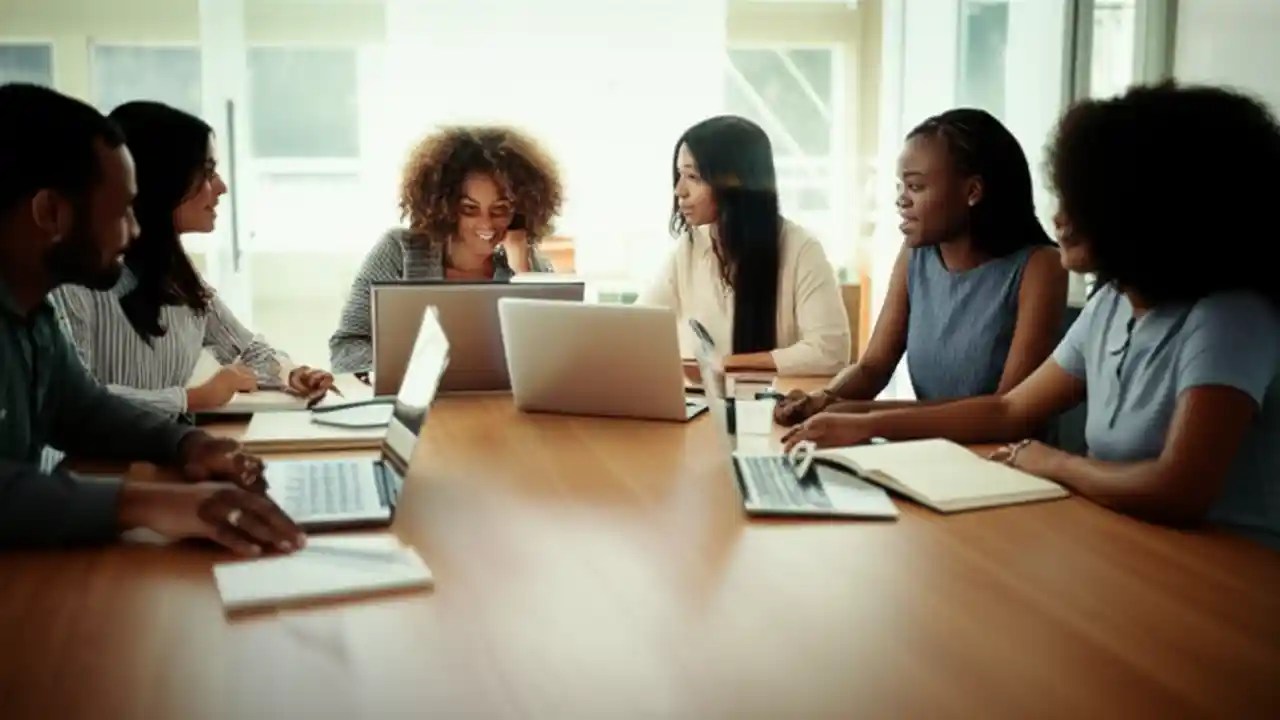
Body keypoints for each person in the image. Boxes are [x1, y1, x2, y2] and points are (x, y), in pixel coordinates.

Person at [783, 83, 1280, 548]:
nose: (1060, 217)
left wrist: (1053, 462)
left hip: (1224, 569)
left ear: (1152, 211)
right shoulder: (1110, 304)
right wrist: (853, 416)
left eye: (1084, 202)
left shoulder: (1229, 318)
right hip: (1128, 544)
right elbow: (1010, 410)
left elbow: (1178, 488)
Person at [0, 83, 303, 554]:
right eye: (122, 211)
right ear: (51, 212)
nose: (137, 229)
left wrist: (188, 444)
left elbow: (84, 411)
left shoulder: (30, 311)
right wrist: (147, 504)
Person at [775, 109, 1067, 425]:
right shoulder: (917, 254)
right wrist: (824, 398)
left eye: (915, 187)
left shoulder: (1041, 267)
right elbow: (873, 367)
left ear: (972, 191)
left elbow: (1006, 410)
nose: (902, 200)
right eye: (901, 186)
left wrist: (861, 416)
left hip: (1005, 461)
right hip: (929, 452)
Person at [51, 101, 333, 417]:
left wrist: (292, 374)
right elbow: (73, 399)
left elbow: (245, 349)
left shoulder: (175, 272)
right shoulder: (74, 280)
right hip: (86, 465)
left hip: (157, 452)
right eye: (208, 172)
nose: (222, 187)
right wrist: (191, 398)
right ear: (163, 180)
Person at [329, 125, 562, 374]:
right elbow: (346, 346)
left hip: (493, 408)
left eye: (500, 209)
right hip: (417, 407)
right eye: (469, 209)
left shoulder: (531, 266)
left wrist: (522, 271)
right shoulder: (399, 251)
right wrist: (409, 378)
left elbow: (549, 359)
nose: (486, 224)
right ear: (447, 208)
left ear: (520, 212)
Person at [638, 115, 850, 376]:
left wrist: (723, 365)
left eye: (693, 177)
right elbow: (639, 328)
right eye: (680, 175)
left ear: (737, 182)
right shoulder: (689, 249)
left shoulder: (801, 250)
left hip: (775, 408)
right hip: (706, 406)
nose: (679, 190)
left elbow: (829, 352)